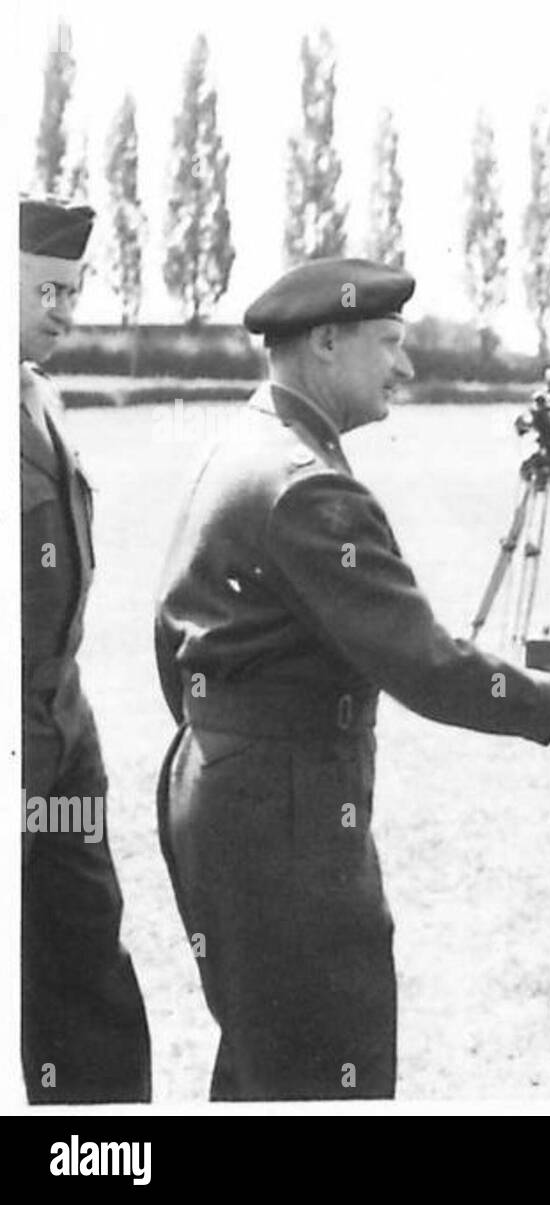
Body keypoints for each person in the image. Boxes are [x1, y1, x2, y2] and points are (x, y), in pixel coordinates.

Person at [153, 258, 550, 1100]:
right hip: (283, 810)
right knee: (326, 1062)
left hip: (227, 785)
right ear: (327, 342)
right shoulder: (309, 486)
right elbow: (428, 665)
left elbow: (170, 639)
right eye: (390, 344)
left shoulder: (247, 446)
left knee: (266, 1059)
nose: (406, 366)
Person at [19, 196, 152, 1103]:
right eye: (47, 288)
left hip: (59, 734)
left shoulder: (37, 394)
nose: (67, 307)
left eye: (74, 289)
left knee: (85, 961)